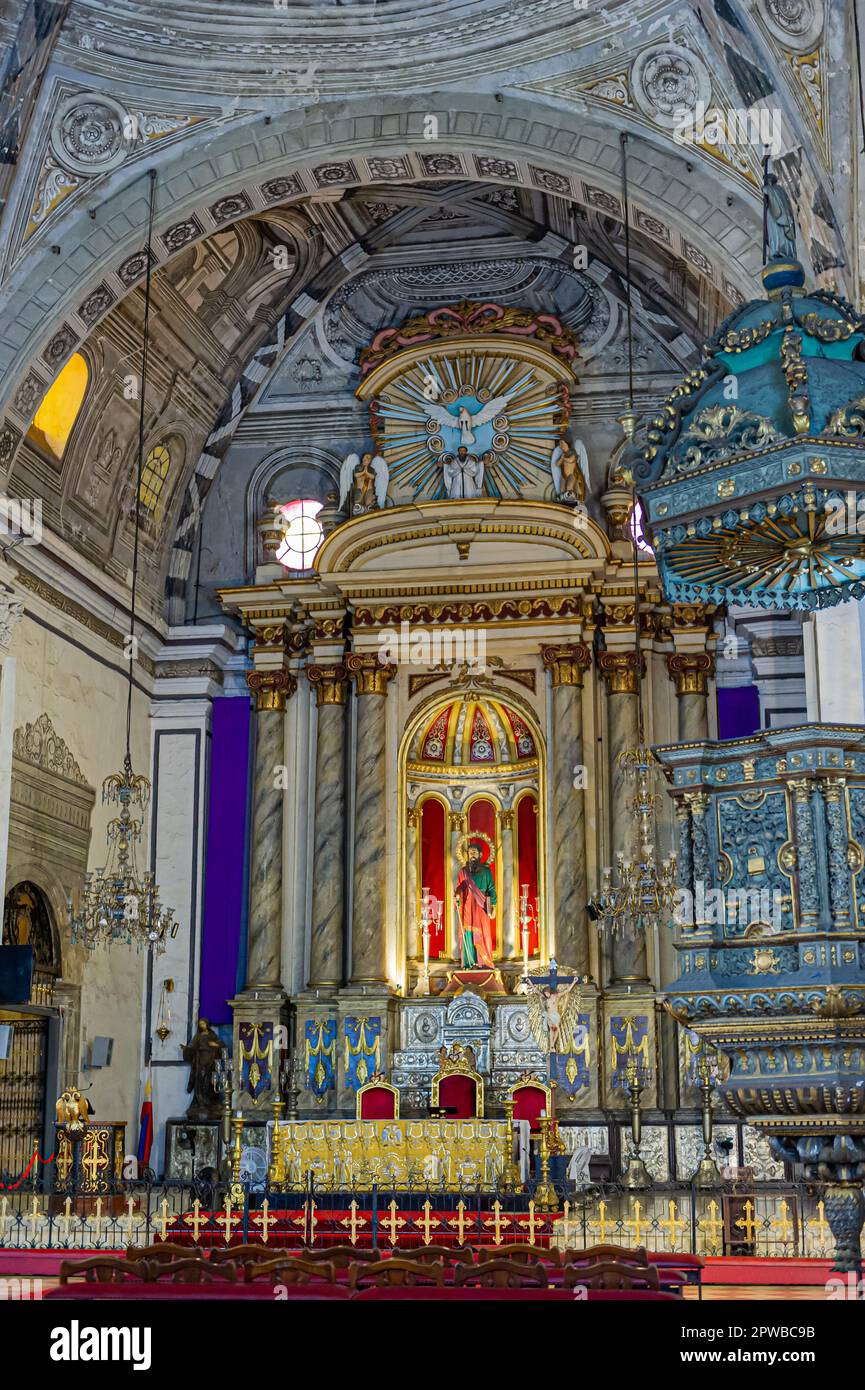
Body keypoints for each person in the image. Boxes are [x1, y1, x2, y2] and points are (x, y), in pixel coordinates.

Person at [454, 841, 496, 968]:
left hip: (481, 905)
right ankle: (469, 962)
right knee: (468, 931)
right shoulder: (463, 872)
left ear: (480, 854)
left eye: (474, 852)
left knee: (482, 932)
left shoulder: (486, 872)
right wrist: (458, 893)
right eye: (470, 852)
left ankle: (483, 962)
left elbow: (492, 889)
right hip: (467, 904)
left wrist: (493, 906)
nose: (472, 854)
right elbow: (458, 887)